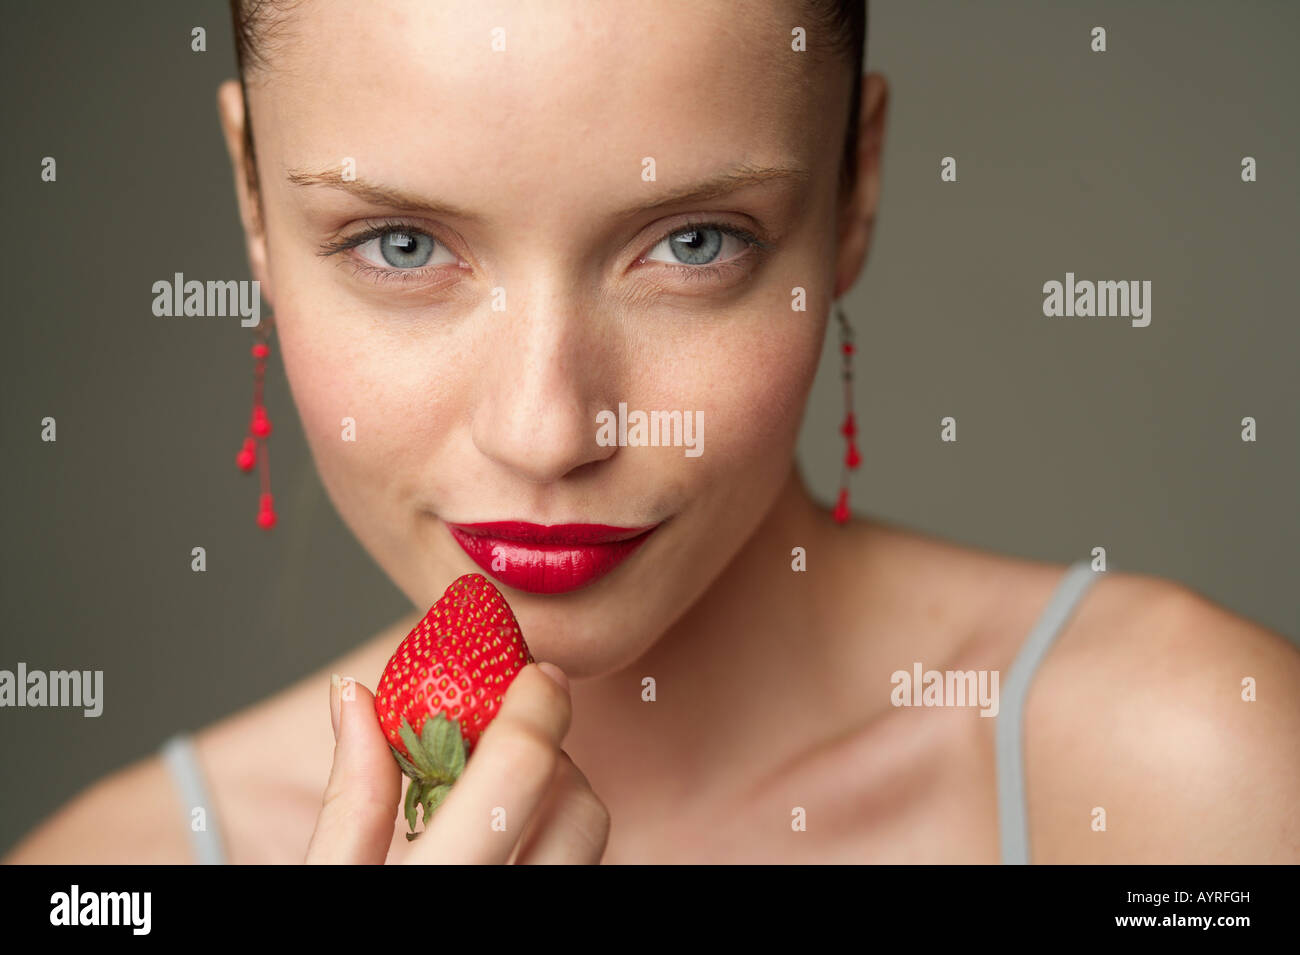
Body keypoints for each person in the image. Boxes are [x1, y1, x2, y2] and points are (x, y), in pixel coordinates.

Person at [7, 0, 1298, 865]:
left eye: (692, 244)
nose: (546, 430)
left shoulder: (1203, 785)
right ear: (250, 198)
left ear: (855, 186)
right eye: (401, 246)